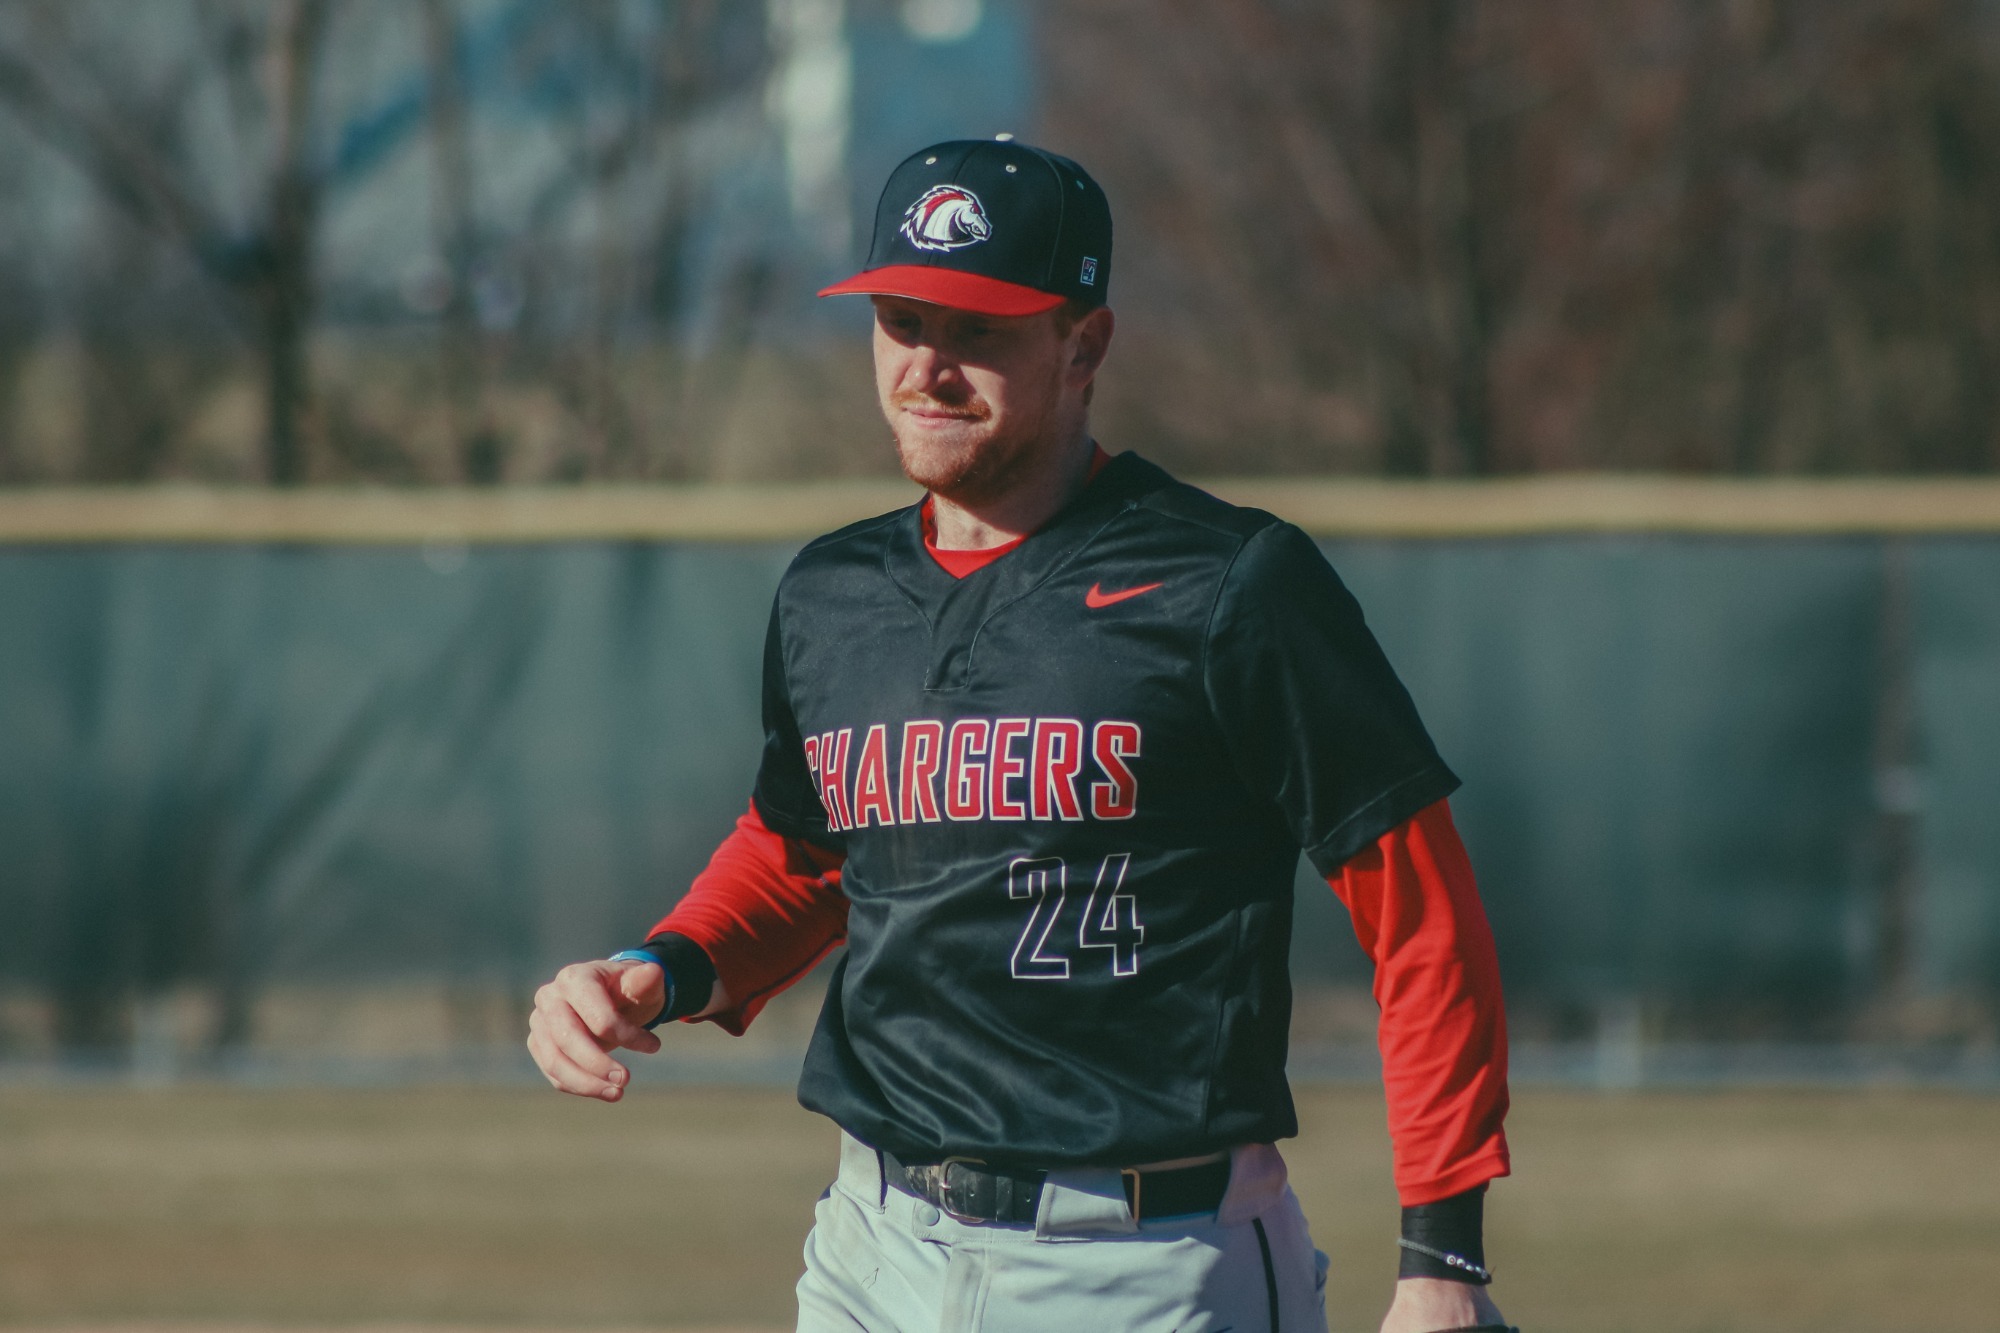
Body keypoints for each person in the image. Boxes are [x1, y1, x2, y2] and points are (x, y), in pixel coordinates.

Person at [528, 137, 1515, 1333]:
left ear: (1083, 345)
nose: (927, 366)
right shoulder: (829, 592)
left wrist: (1441, 1261)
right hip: (872, 1244)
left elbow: (1420, 914)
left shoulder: (1229, 584)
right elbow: (805, 852)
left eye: (978, 329)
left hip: (1144, 1259)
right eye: (900, 319)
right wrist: (662, 966)